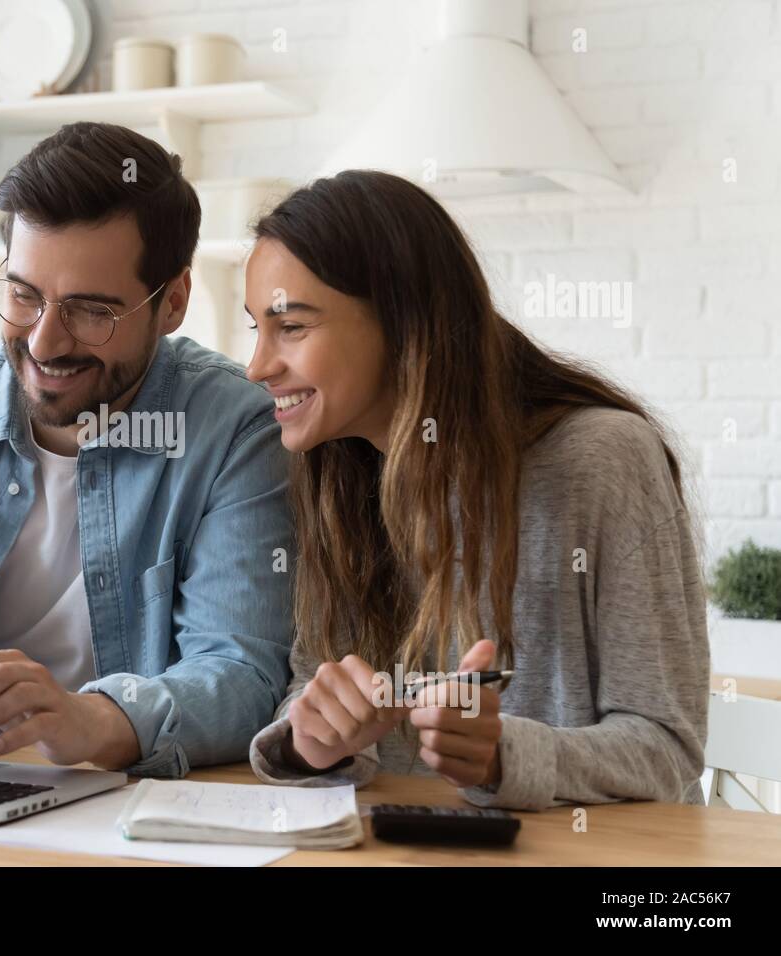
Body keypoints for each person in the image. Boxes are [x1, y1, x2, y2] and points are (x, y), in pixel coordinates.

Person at [0, 122, 293, 779]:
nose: (45, 343)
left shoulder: (233, 431)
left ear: (174, 303)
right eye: (23, 296)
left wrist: (90, 722)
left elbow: (242, 674)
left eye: (91, 310)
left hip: (119, 806)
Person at [244, 170, 709, 810]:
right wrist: (314, 740)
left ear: (402, 322)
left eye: (290, 327)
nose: (257, 366)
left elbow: (667, 750)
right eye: (256, 330)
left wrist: (502, 757)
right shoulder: (339, 476)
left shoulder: (603, 460)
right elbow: (312, 689)